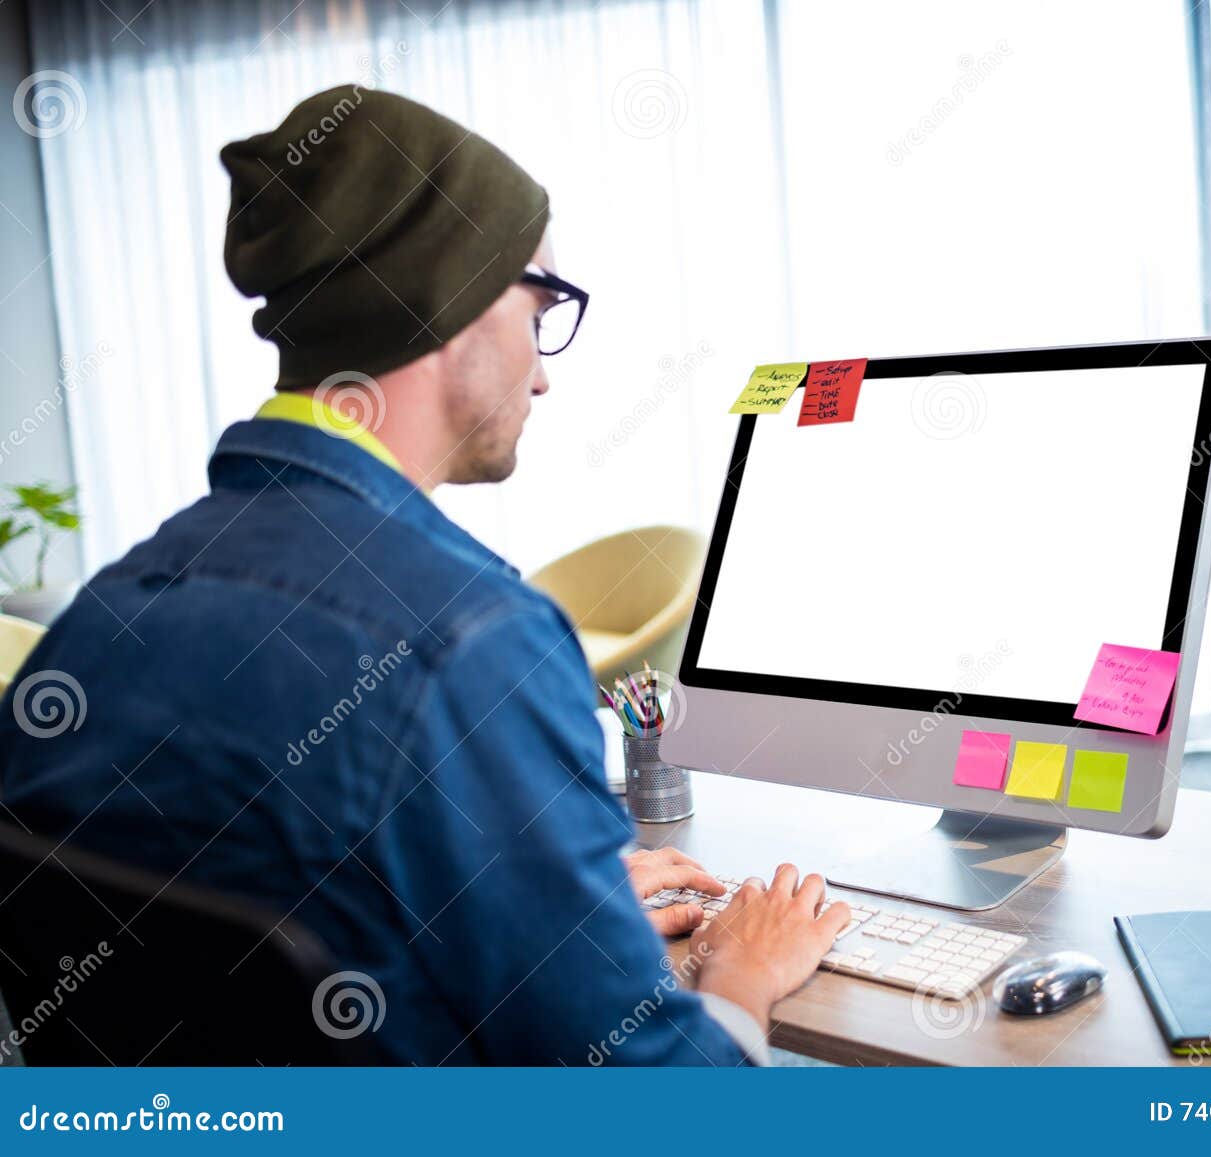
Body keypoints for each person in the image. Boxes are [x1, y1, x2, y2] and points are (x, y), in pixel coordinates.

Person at [0, 86, 847, 1065]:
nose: (543, 373)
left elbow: (298, 905)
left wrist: (563, 897)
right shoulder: (470, 643)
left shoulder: (102, 622)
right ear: (462, 302)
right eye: (544, 308)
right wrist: (746, 962)